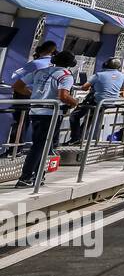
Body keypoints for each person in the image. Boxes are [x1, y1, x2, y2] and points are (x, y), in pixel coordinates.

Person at [17, 50, 78, 187]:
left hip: (35, 111)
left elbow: (18, 86)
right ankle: (26, 177)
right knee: (40, 146)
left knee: (42, 145)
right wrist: (75, 102)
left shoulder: (40, 71)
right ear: (70, 64)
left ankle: (39, 175)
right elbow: (63, 96)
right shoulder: (66, 75)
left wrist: (33, 95)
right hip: (50, 114)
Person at [5, 40, 58, 156]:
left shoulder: (35, 64)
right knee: (42, 125)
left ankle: (15, 149)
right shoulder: (56, 66)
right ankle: (46, 150)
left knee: (20, 122)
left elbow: (14, 77)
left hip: (26, 95)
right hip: (46, 99)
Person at [70, 58, 124, 144]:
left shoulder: (98, 75)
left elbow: (85, 87)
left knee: (74, 116)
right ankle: (79, 137)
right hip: (110, 102)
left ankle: (75, 137)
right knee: (89, 117)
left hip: (97, 101)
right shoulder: (122, 76)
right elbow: (123, 89)